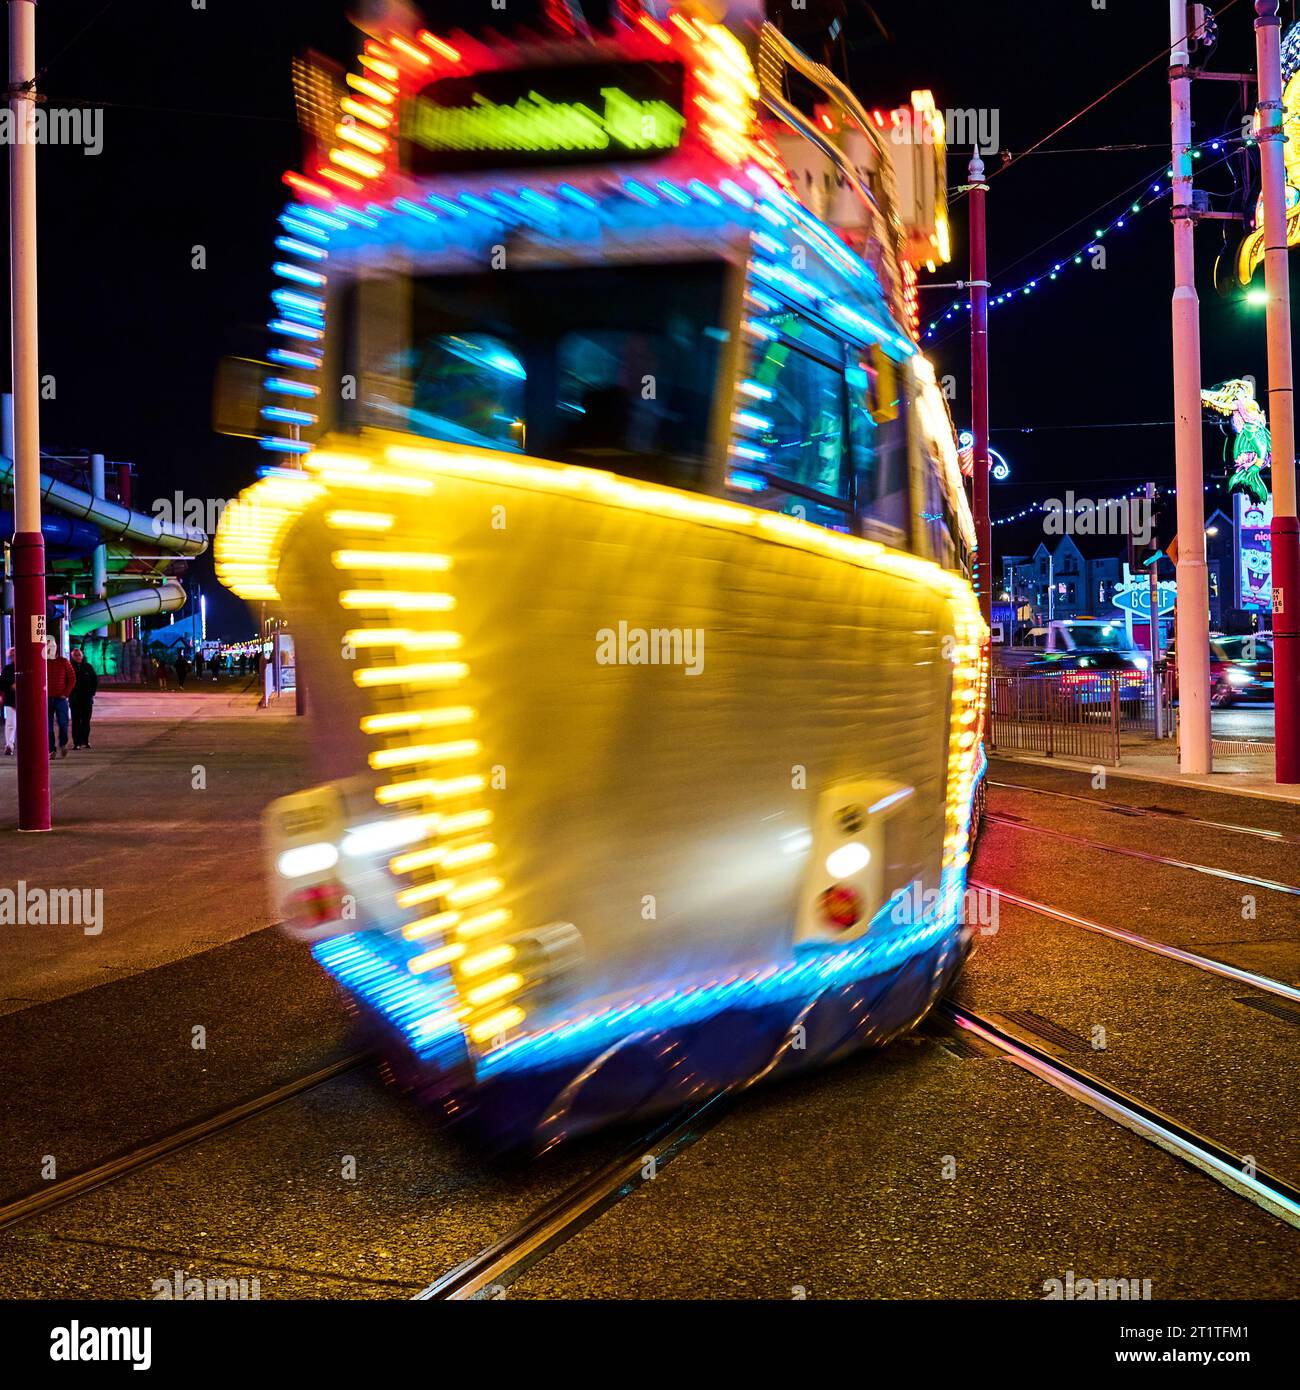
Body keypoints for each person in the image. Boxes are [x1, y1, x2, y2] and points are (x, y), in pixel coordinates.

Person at [46, 648, 76, 759]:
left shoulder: (63, 662)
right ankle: (51, 749)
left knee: (63, 723)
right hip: (46, 699)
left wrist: (66, 693)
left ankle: (63, 744)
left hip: (60, 699)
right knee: (48, 727)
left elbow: (72, 678)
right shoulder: (43, 662)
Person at [69, 647, 99, 749]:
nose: (77, 657)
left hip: (87, 699)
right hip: (74, 699)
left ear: (82, 656)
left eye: (79, 655)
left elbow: (94, 680)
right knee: (76, 721)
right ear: (72, 657)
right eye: (75, 655)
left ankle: (85, 740)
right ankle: (76, 742)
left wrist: (92, 692)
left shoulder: (87, 667)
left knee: (86, 721)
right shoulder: (70, 667)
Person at [1, 647, 15, 755]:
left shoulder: (27, 666)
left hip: (24, 700)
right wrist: (11, 686)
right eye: (12, 655)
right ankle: (9, 745)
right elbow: (2, 684)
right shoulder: (7, 668)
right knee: (10, 723)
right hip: (11, 699)